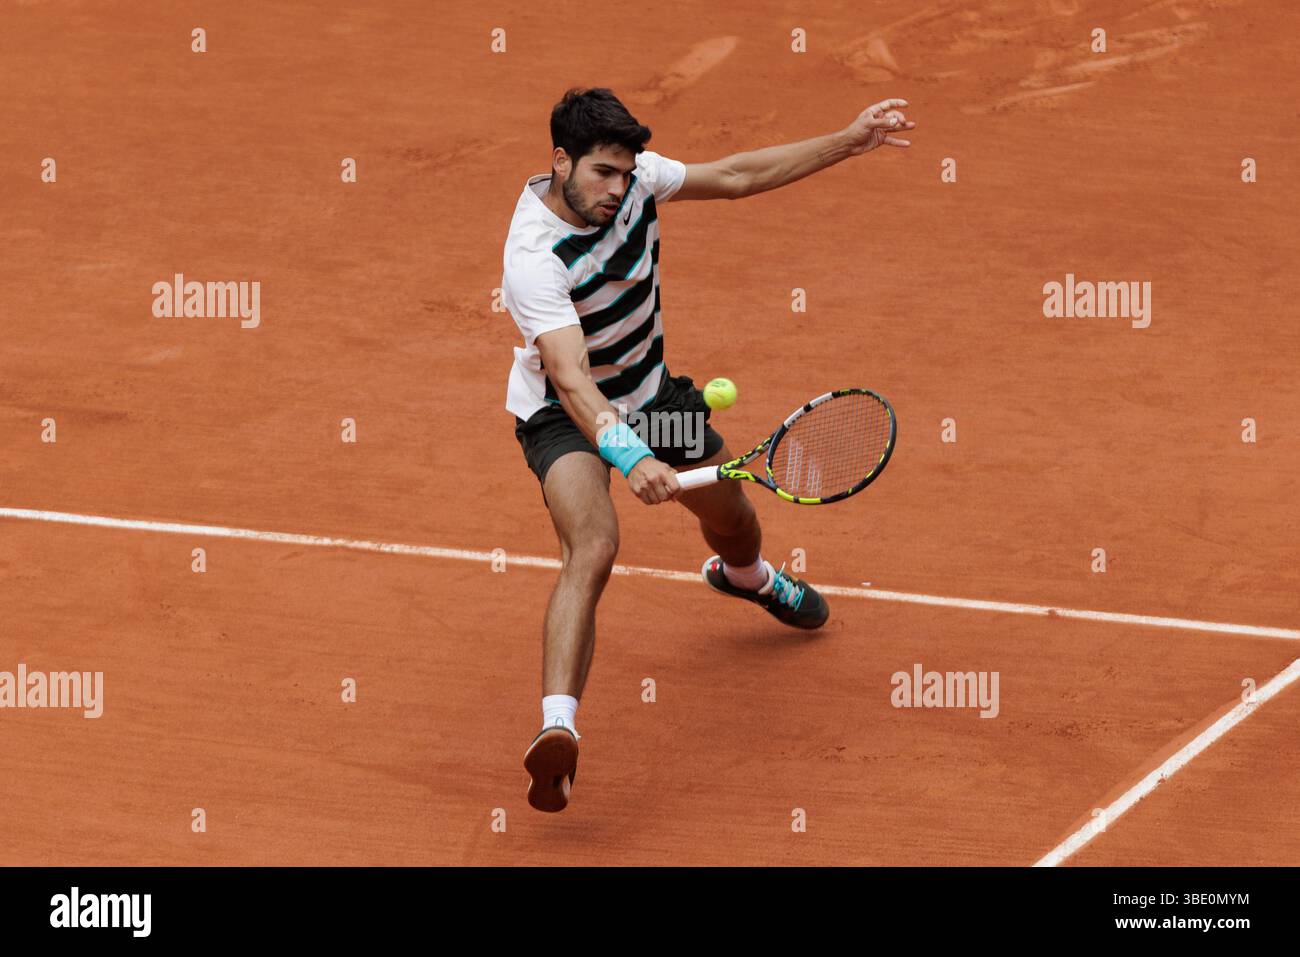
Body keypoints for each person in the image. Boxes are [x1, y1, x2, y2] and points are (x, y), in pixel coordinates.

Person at [502, 87, 915, 812]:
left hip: (655, 397)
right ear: (560, 161)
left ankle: (746, 576)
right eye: (602, 173)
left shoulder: (636, 183)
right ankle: (557, 731)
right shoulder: (533, 257)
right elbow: (570, 380)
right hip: (564, 416)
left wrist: (848, 139)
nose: (617, 189)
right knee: (593, 544)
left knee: (734, 518)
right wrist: (632, 458)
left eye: (626, 174)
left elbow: (738, 176)